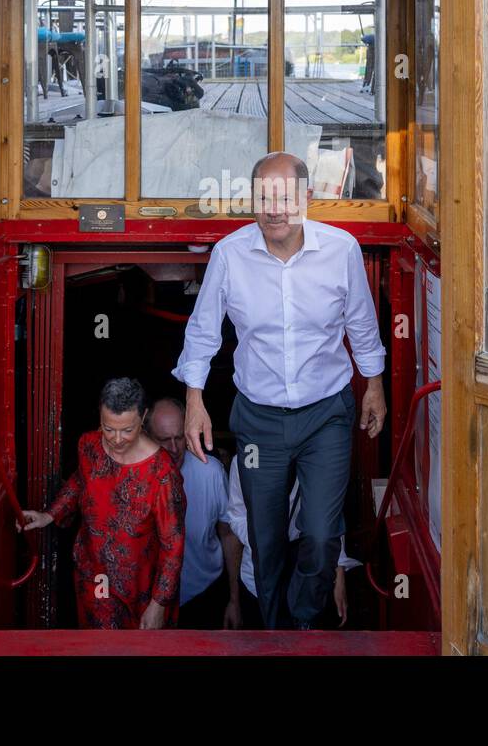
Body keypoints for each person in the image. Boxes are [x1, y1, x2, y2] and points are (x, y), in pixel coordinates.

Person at [173, 151, 387, 630]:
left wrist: (374, 386)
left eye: (285, 198)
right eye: (265, 198)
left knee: (318, 533)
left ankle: (306, 622)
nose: (274, 210)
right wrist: (194, 403)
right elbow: (203, 333)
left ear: (306, 198)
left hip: (326, 415)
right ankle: (272, 632)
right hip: (259, 423)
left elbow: (362, 326)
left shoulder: (342, 249)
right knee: (265, 539)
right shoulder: (229, 254)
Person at [21, 377, 185, 630]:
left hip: (140, 589)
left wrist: (158, 605)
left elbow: (173, 545)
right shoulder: (89, 445)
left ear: (143, 418)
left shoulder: (162, 473)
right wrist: (49, 515)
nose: (117, 439)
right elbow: (80, 481)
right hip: (93, 575)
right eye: (109, 428)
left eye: (127, 430)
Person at [225, 460, 360, 629]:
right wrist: (265, 539)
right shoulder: (243, 459)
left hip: (302, 575)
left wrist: (339, 570)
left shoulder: (312, 456)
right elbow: (237, 516)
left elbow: (328, 516)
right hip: (256, 580)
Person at [146, 397, 242, 629]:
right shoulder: (132, 475)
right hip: (147, 599)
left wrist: (234, 600)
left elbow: (229, 535)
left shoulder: (210, 472)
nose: (174, 448)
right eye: (164, 440)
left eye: (179, 437)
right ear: (147, 436)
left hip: (204, 594)